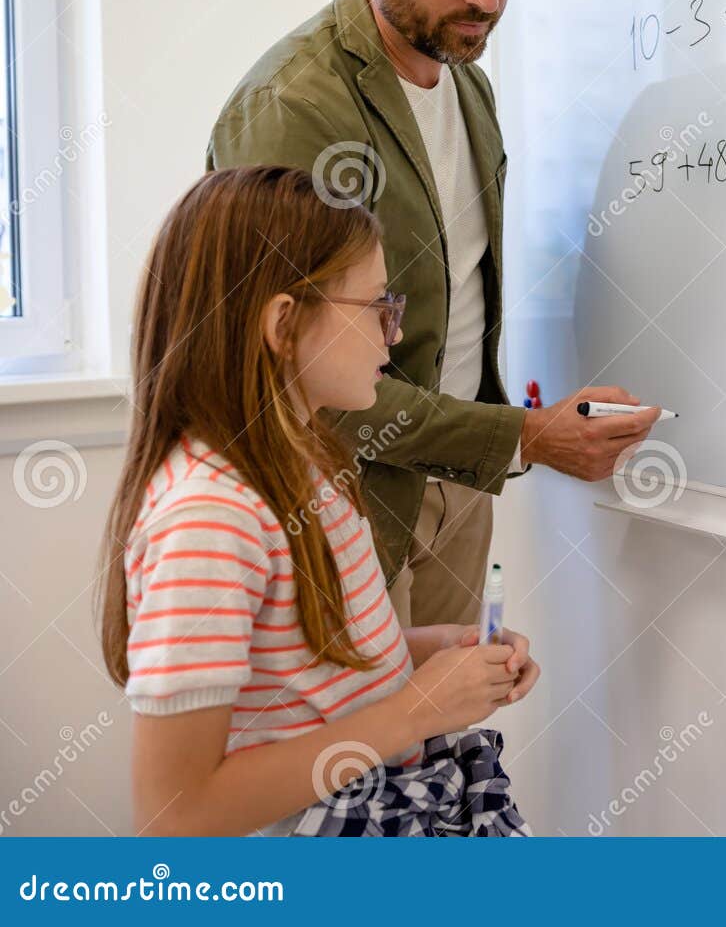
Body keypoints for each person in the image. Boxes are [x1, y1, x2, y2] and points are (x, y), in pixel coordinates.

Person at [206, 0, 659, 629]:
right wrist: (524, 437)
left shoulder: (470, 88)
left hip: (454, 485)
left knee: (444, 744)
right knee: (354, 755)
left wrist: (497, 445)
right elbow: (300, 377)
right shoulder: (293, 111)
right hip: (332, 503)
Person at [96, 166, 538, 836]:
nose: (393, 337)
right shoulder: (209, 520)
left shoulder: (304, 462)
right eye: (377, 309)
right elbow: (175, 818)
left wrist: (425, 652)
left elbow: (304, 674)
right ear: (283, 322)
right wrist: (418, 709)